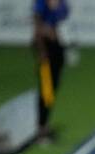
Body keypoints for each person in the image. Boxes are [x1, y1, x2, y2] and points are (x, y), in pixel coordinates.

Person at [32, 0, 70, 144]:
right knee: (46, 88)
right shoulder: (40, 3)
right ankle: (41, 129)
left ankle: (45, 125)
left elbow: (64, 15)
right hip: (46, 48)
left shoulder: (59, 3)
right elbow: (37, 26)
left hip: (56, 46)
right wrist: (41, 51)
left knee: (52, 88)